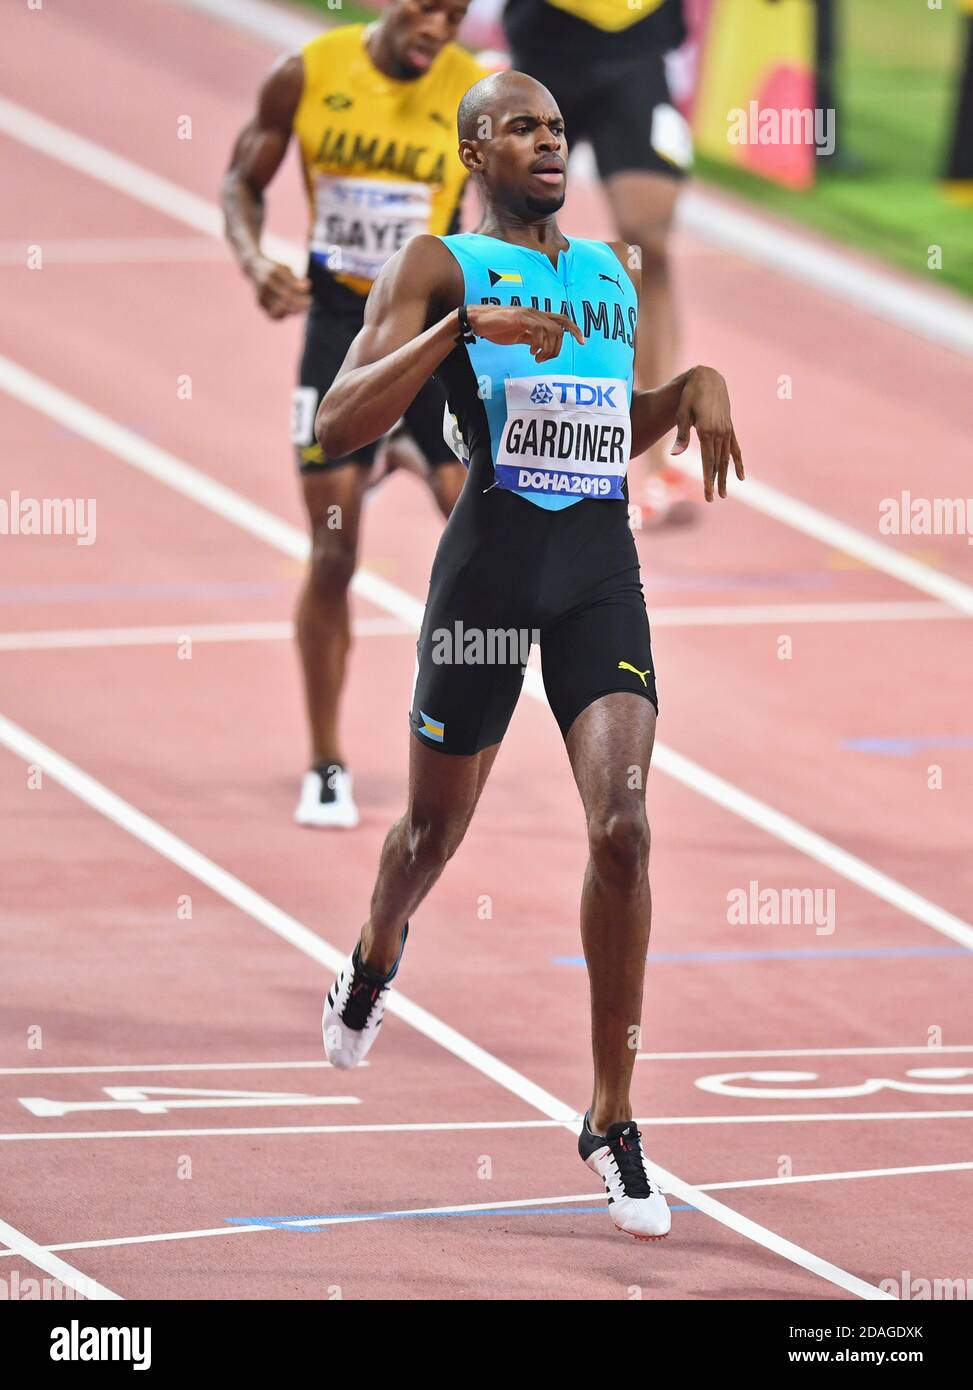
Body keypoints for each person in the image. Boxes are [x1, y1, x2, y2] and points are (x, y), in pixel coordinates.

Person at [316, 70, 742, 1239]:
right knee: (428, 834)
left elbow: (613, 420)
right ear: (472, 150)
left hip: (598, 575)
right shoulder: (435, 268)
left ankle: (610, 1112)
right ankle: (374, 947)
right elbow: (335, 420)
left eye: (558, 128)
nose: (551, 142)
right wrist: (462, 331)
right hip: (491, 577)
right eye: (523, 127)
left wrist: (686, 390)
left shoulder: (608, 272)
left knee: (625, 827)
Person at [221, 3, 487, 828]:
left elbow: (521, 207)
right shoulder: (309, 72)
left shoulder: (475, 93)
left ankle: (454, 742)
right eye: (426, 6)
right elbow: (241, 181)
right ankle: (326, 761)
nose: (439, 25)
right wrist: (254, 259)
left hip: (438, 338)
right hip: (343, 340)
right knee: (334, 552)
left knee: (483, 548)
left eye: (457, 11)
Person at [503, 0, 695, 526]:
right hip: (545, 47)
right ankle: (503, 431)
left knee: (648, 241)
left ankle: (658, 464)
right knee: (513, 236)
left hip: (635, 48)